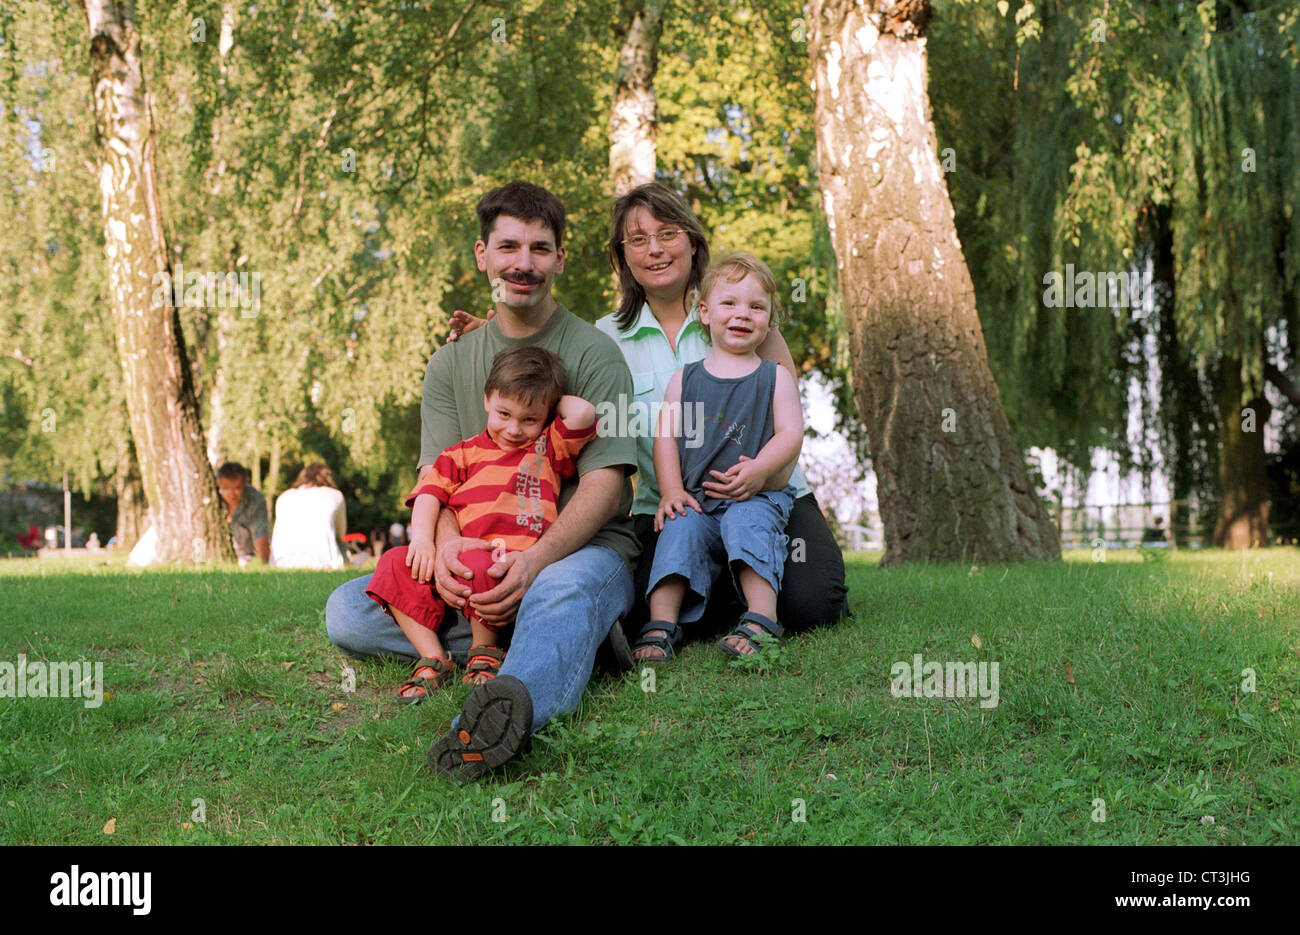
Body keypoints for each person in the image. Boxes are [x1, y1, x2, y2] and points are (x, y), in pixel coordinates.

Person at [324, 180, 638, 781]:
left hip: (579, 552)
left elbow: (607, 485)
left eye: (540, 249)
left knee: (559, 590)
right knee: (348, 610)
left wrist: (537, 560)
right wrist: (441, 551)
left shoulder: (596, 353)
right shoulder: (449, 364)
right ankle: (562, 641)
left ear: (560, 259)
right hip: (475, 559)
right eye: (509, 246)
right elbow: (436, 476)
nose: (524, 264)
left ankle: (497, 722)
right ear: (482, 254)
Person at [457, 183, 850, 654]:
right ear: (623, 256)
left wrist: (761, 476)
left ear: (692, 242)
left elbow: (789, 424)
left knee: (814, 606)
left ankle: (732, 592)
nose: (655, 249)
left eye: (668, 233)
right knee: (642, 609)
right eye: (637, 240)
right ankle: (727, 594)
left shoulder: (739, 317)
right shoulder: (604, 339)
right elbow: (540, 370)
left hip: (766, 495)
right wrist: (494, 333)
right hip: (666, 507)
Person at [365, 346, 597, 696]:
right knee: (394, 563)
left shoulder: (548, 449)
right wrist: (423, 541)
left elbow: (583, 413)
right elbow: (430, 494)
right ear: (487, 400)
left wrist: (547, 396)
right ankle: (433, 657)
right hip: (454, 561)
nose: (514, 429)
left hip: (510, 565)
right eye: (504, 413)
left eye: (529, 419)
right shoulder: (462, 453)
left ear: (546, 418)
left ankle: (484, 650)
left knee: (480, 562)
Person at [639, 253, 804, 661]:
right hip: (697, 496)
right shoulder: (686, 376)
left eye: (756, 307)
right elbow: (666, 437)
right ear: (705, 312)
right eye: (729, 304)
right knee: (678, 529)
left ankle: (761, 617)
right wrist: (671, 490)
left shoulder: (773, 375)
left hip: (755, 495)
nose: (742, 314)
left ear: (769, 320)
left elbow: (791, 434)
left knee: (749, 522)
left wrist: (760, 470)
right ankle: (662, 625)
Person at [269, 462, 347, 570]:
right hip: (324, 562)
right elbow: (341, 534)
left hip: (281, 561)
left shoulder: (284, 497)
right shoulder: (335, 495)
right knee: (342, 545)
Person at [217, 462, 270, 566]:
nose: (231, 494)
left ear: (245, 484)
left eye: (237, 488)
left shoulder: (255, 500)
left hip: (246, 557)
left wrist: (265, 566)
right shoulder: (212, 497)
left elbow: (259, 534)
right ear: (218, 484)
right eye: (226, 488)